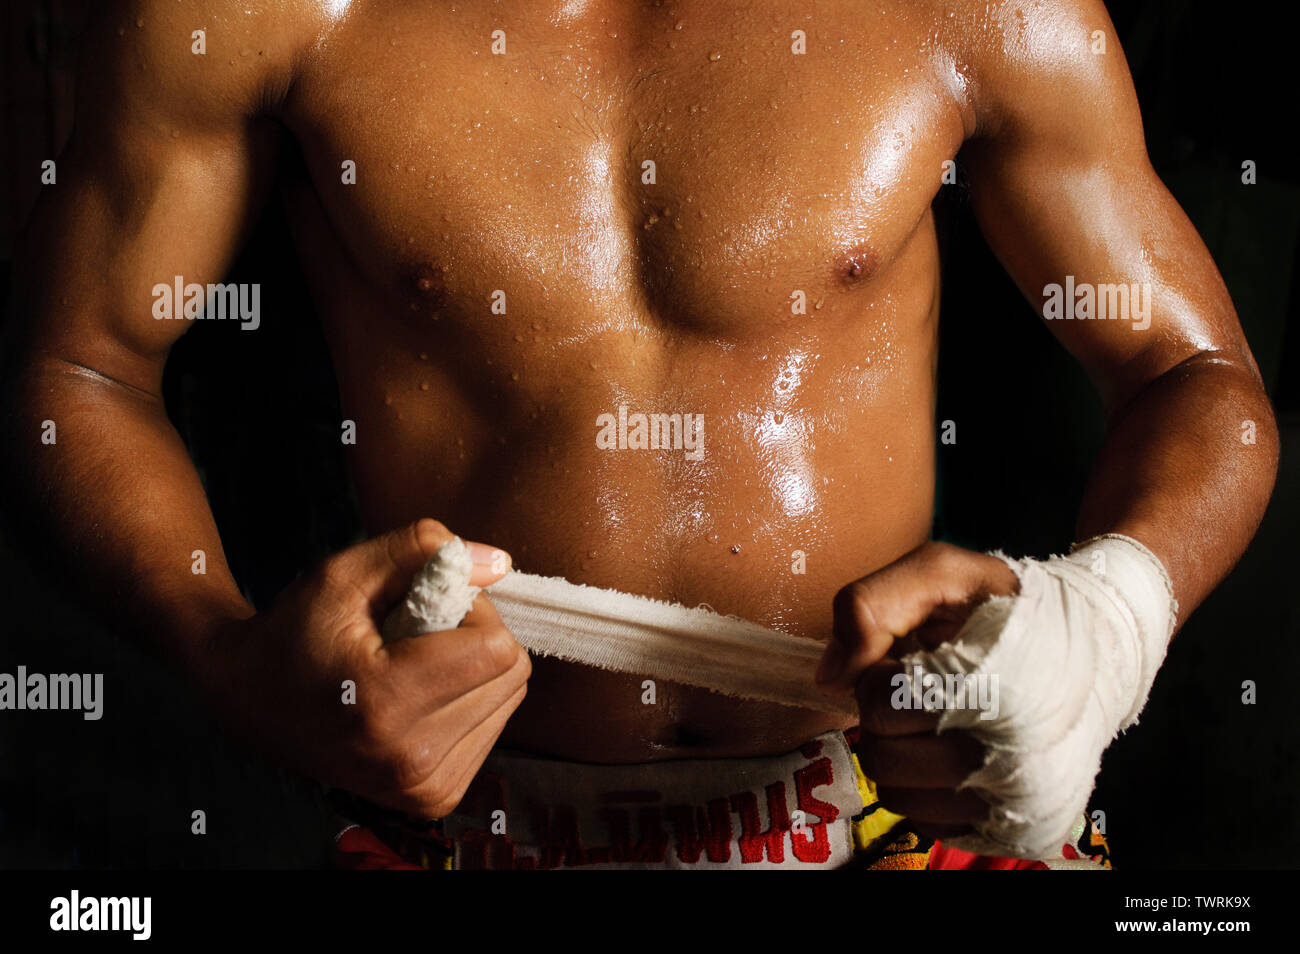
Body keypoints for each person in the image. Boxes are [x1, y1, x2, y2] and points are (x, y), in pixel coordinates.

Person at [2, 0, 1277, 868]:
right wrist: (224, 656)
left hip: (895, 809)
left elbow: (1195, 373)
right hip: (458, 825)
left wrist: (1104, 619)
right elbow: (81, 368)